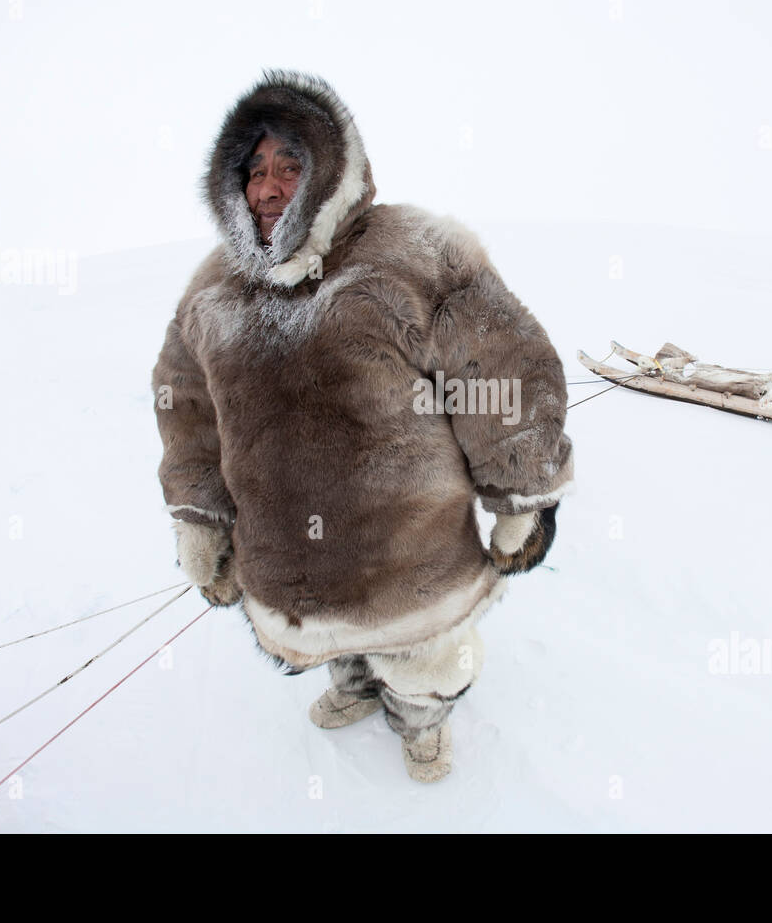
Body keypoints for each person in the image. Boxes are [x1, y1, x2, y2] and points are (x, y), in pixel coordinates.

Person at [151, 69, 573, 782]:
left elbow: (501, 375)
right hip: (287, 558)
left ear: (331, 170)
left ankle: (420, 721)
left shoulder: (415, 254)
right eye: (254, 170)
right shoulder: (212, 292)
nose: (268, 187)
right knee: (334, 645)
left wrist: (521, 496)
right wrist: (199, 516)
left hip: (409, 556)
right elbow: (185, 409)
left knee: (421, 663)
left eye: (290, 165)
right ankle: (352, 684)